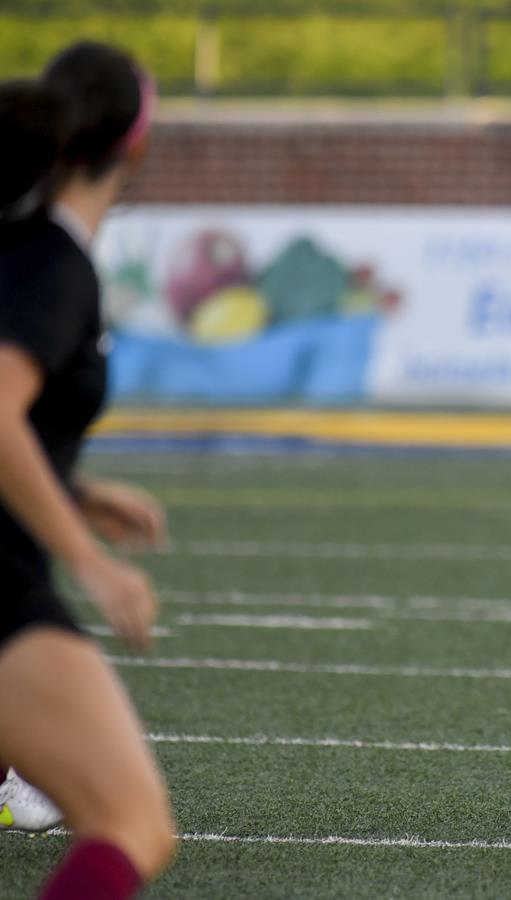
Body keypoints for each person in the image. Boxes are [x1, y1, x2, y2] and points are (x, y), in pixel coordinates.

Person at [0, 42, 176, 898]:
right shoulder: (55, 264)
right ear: (134, 145)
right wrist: (91, 559)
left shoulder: (27, 245)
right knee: (134, 824)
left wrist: (78, 491)